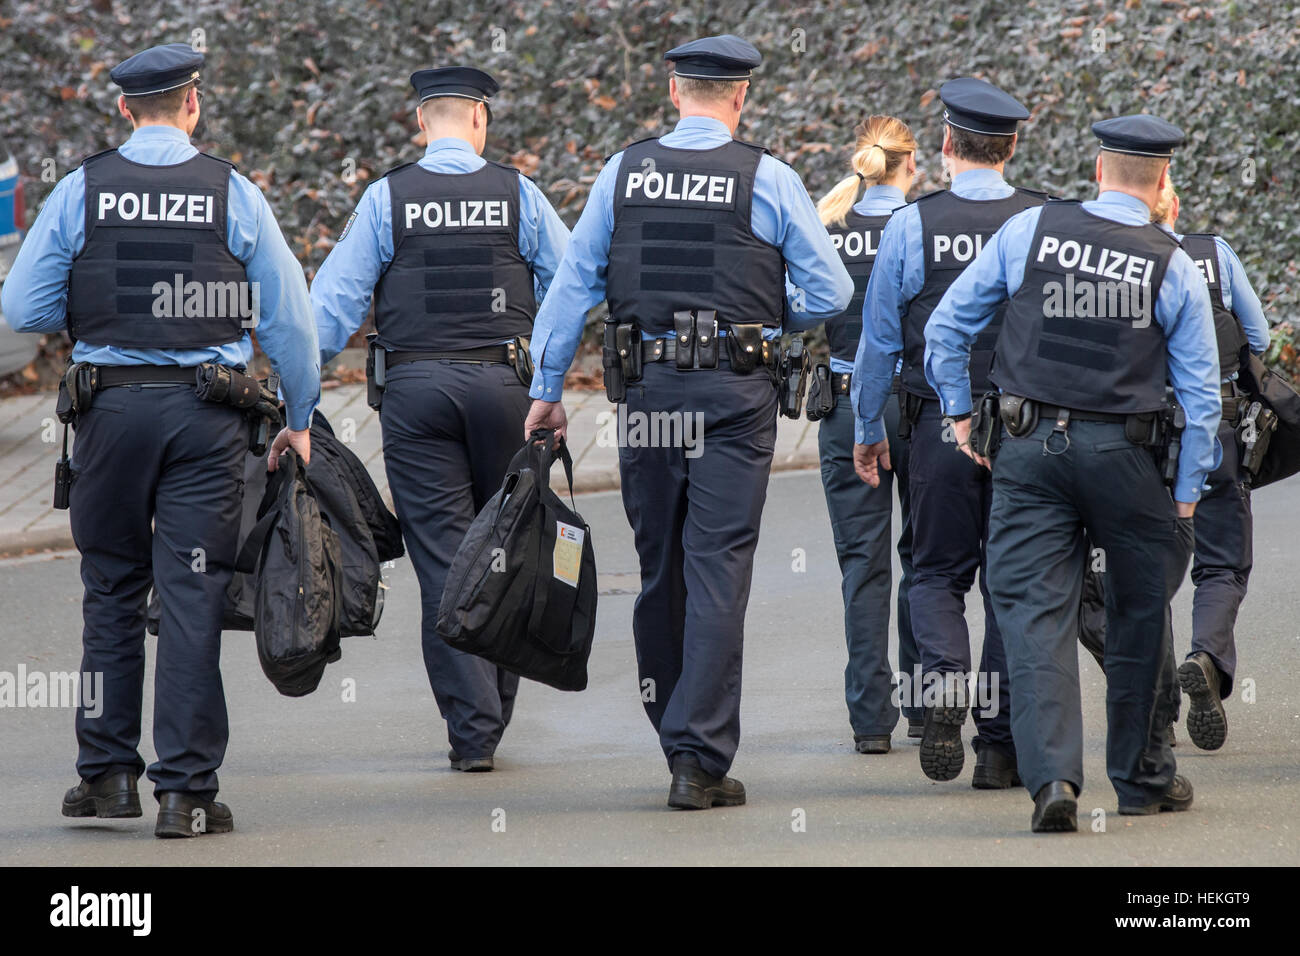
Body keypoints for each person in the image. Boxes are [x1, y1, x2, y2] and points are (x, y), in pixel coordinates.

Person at [0, 43, 321, 837]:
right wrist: (300, 419)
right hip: (208, 420)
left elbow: (23, 309)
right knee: (190, 595)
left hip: (108, 417)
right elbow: (291, 324)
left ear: (122, 109)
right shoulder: (232, 193)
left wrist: (96, 311)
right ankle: (185, 793)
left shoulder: (82, 190)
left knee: (110, 588)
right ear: (193, 105)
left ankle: (107, 778)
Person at [523, 34, 852, 809]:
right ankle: (699, 759)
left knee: (662, 566)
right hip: (735, 400)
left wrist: (546, 386)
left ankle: (675, 735)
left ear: (675, 90)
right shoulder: (768, 177)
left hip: (650, 396)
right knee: (718, 568)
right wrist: (771, 318)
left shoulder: (623, 172)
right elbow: (831, 291)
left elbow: (573, 285)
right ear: (740, 97)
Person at [922, 114, 1222, 832]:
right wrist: (1186, 498)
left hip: (1027, 451)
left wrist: (961, 418)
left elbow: (946, 327)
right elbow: (1204, 398)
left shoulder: (1030, 232)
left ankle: (1053, 778)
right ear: (1160, 185)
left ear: (1096, 171)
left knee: (1032, 617)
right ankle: (1144, 780)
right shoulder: (1171, 262)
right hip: (1131, 458)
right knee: (1139, 613)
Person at [311, 67, 570, 772]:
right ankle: (495, 706)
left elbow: (332, 305)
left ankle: (474, 729)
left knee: (443, 557)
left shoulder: (386, 197)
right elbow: (572, 284)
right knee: (510, 544)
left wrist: (295, 391)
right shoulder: (518, 193)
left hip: (416, 391)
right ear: (480, 121)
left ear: (421, 122)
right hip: (507, 391)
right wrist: (552, 379)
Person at [852, 78, 1047, 789]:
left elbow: (877, 338)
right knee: (1010, 581)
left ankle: (941, 688)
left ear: (944, 145)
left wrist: (868, 424)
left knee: (935, 571)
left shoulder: (913, 223)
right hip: (1025, 429)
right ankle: (998, 749)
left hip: (935, 419)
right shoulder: (1042, 220)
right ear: (1014, 145)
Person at [813, 115, 922, 752]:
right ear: (911, 166)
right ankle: (925, 699)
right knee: (927, 562)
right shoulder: (922, 226)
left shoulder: (830, 224)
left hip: (846, 403)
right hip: (916, 405)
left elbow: (795, 305)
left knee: (863, 565)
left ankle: (869, 721)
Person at [1151, 180, 1268, 750]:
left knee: (1145, 574)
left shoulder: (1114, 262)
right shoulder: (1212, 253)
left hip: (1141, 436)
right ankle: (1205, 655)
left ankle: (1157, 715)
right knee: (1222, 564)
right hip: (1216, 425)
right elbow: (1260, 335)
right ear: (1174, 204)